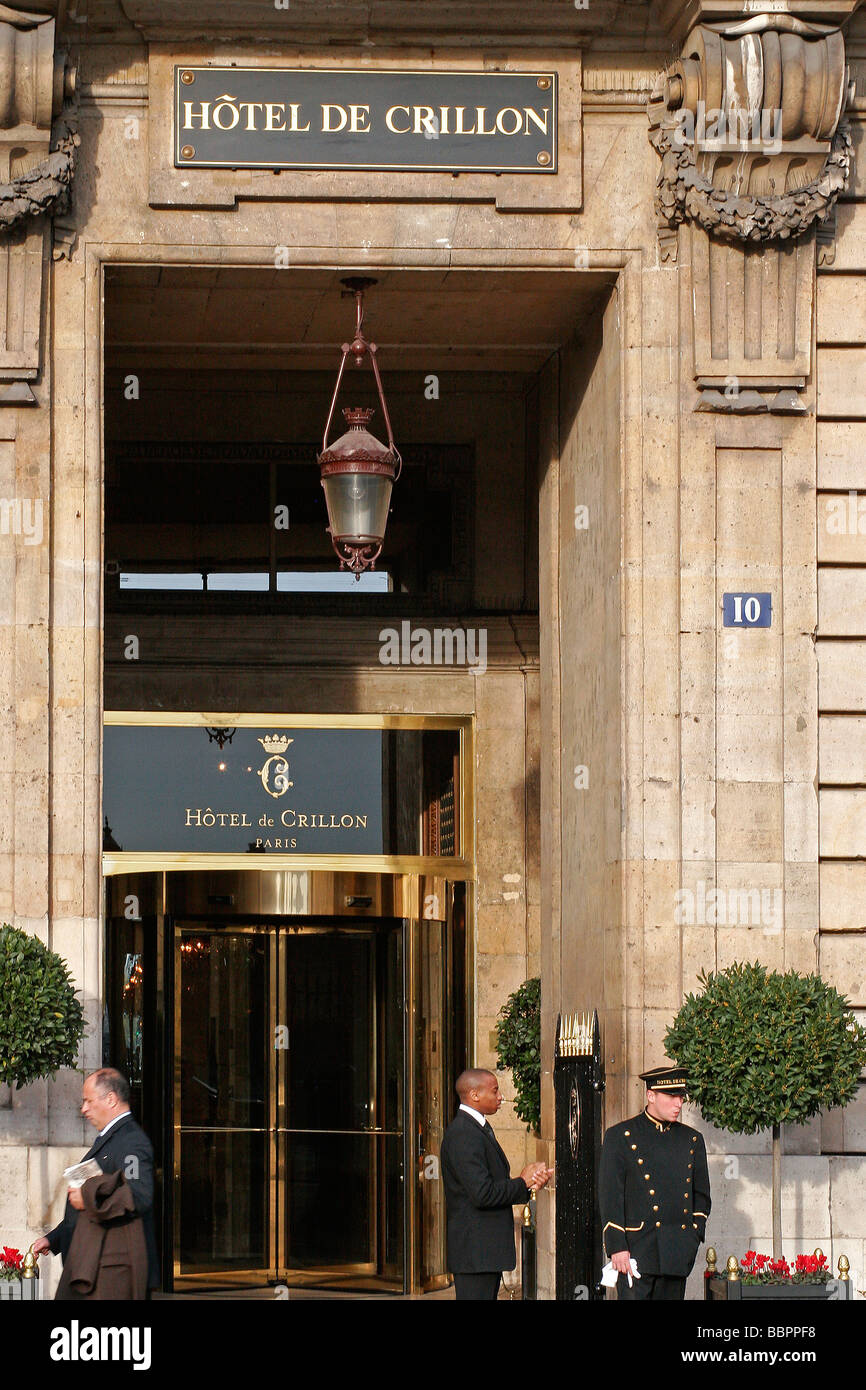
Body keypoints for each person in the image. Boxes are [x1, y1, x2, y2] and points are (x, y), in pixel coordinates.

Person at [33, 1068, 159, 1299]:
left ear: (110, 1099)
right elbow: (86, 1208)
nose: (84, 1109)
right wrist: (54, 1238)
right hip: (93, 1265)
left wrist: (88, 1196)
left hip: (113, 1272)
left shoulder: (131, 1141)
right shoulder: (112, 1139)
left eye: (88, 1101)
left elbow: (138, 1194)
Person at [598, 1065, 711, 1301]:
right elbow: (611, 1195)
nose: (679, 1103)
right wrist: (616, 1245)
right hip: (636, 1251)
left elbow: (701, 1197)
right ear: (651, 1095)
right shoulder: (620, 1136)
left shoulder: (692, 1140)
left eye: (681, 1097)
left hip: (676, 1250)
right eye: (672, 1096)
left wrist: (693, 1236)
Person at [440, 1067, 553, 1301]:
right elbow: (482, 1193)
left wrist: (528, 1184)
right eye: (495, 1091)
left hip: (483, 1253)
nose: (500, 1096)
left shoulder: (476, 1128)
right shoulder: (463, 1133)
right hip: (475, 1254)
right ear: (474, 1095)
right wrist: (522, 1182)